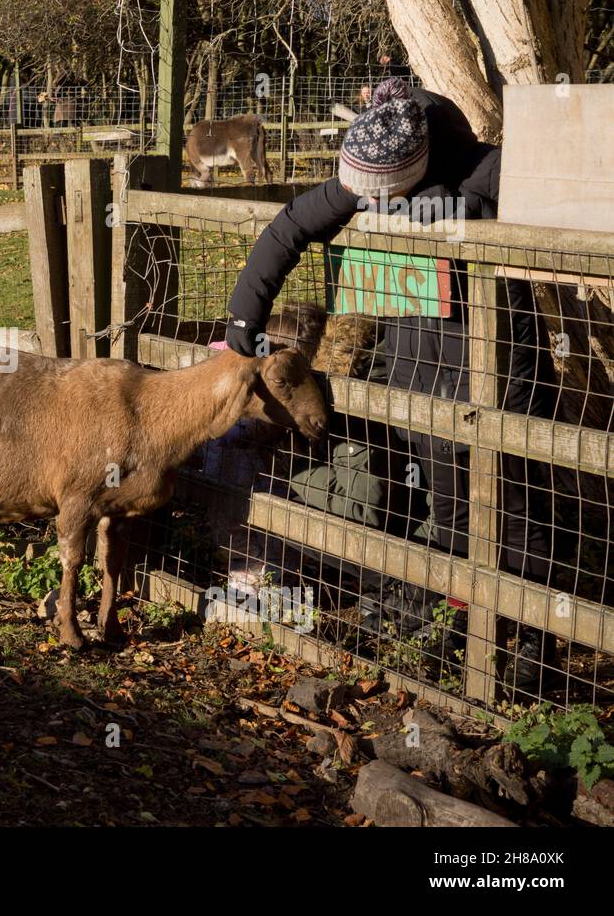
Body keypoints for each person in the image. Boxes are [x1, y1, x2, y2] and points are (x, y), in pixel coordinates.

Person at [224, 77, 559, 696]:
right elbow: (288, 229)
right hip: (417, 362)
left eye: (380, 196)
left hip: (499, 358)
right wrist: (242, 328)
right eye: (360, 195)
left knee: (514, 499)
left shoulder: (488, 172)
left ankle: (537, 645)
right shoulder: (370, 160)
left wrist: (452, 216)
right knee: (448, 500)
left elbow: (563, 221)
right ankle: (461, 622)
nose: (366, 205)